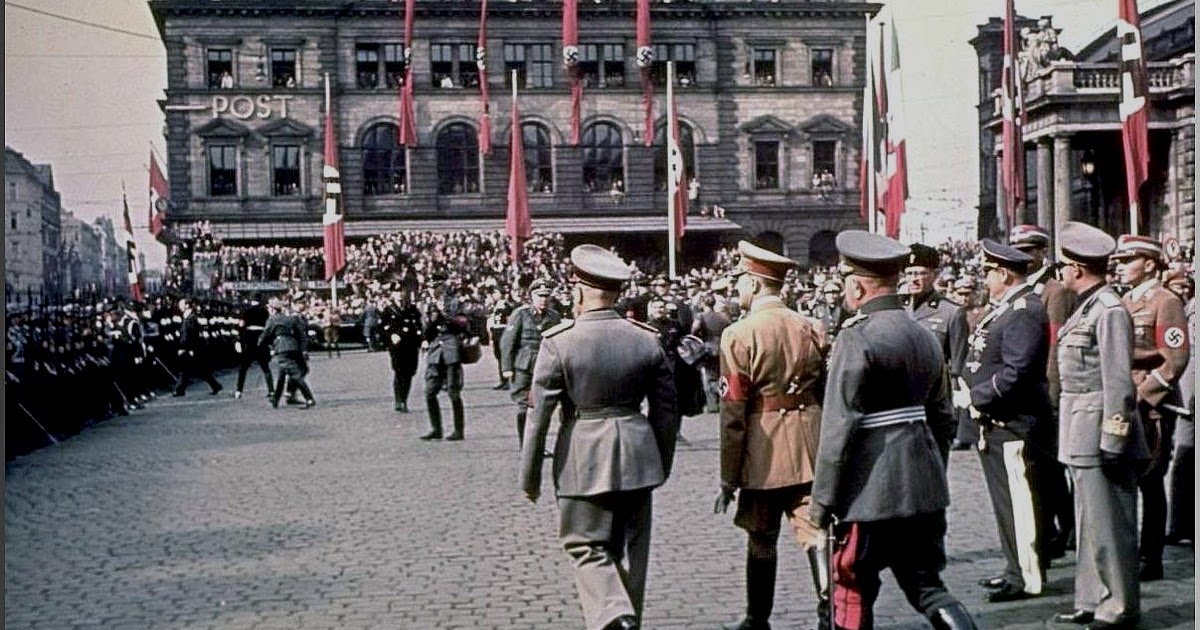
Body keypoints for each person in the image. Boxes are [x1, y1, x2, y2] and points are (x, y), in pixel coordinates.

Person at [810, 230, 976, 630]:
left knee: (851, 588)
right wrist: (931, 471)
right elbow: (942, 417)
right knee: (928, 587)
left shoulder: (857, 335)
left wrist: (822, 502)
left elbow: (839, 427)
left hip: (871, 491)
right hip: (923, 486)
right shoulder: (925, 332)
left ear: (857, 285)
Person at [519, 244, 679, 630]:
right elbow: (667, 412)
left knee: (585, 544)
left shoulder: (560, 340)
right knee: (631, 553)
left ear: (577, 291)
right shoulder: (646, 339)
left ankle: (614, 616)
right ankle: (627, 620)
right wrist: (661, 461)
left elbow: (537, 416)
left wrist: (530, 476)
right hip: (639, 456)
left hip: (583, 455)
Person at [714, 241, 827, 630]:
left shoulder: (738, 334)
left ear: (755, 283)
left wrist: (729, 476)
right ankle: (831, 614)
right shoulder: (812, 326)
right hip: (810, 444)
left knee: (761, 537)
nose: (737, 290)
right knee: (816, 533)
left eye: (740, 282)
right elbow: (824, 390)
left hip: (762, 452)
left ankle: (756, 620)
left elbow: (732, 413)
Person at [1052, 222, 1148, 629]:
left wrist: (1114, 435)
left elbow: (1118, 382)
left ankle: (1120, 605)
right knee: (1089, 522)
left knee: (1110, 525)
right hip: (1079, 430)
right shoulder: (1088, 307)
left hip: (1098, 431)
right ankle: (1092, 599)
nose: (1060, 274)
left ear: (1076, 268)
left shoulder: (1108, 310)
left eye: (1063, 266)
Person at [959, 239, 1051, 603]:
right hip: (998, 421)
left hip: (1015, 420)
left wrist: (976, 396)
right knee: (1006, 502)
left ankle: (1026, 576)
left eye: (988, 273)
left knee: (1020, 502)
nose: (985, 279)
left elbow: (1018, 370)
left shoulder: (1024, 310)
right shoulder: (1006, 308)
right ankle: (1015, 567)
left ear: (1003, 274)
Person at [1110, 235, 1191, 581]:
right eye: (1120, 261)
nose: (1121, 267)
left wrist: (1142, 395)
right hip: (1122, 401)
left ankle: (1150, 556)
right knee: (1123, 476)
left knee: (1150, 480)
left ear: (1150, 264)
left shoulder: (1165, 301)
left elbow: (1175, 359)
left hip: (1149, 407)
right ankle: (1129, 550)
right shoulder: (1123, 301)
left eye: (1129, 261)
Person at [1010, 224, 1078, 559]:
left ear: (1041, 254)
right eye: (1018, 251)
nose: (1023, 257)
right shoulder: (1020, 290)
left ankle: (1064, 529)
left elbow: (1055, 345)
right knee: (1039, 467)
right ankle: (1057, 528)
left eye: (1028, 251)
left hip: (1043, 391)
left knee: (1048, 467)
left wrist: (1050, 394)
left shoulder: (1053, 291)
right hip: (1024, 391)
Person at [906, 243, 969, 459]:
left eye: (921, 273)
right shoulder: (898, 309)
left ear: (935, 275)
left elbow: (958, 368)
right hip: (901, 407)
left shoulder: (951, 313)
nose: (914, 279)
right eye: (909, 273)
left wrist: (956, 418)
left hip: (934, 407)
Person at [500, 282, 563, 447]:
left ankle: (537, 446)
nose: (543, 300)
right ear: (531, 297)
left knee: (541, 410)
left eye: (546, 296)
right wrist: (507, 368)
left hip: (546, 367)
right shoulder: (520, 314)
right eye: (539, 296)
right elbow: (507, 342)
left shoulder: (554, 316)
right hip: (524, 368)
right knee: (524, 407)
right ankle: (525, 446)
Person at [420, 294, 468, 441]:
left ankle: (458, 430)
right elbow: (425, 330)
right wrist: (431, 321)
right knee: (429, 391)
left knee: (454, 393)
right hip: (435, 352)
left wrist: (445, 315)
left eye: (437, 286)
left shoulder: (454, 303)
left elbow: (462, 324)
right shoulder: (427, 304)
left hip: (451, 351)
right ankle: (436, 428)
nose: (434, 289)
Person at [260, 298, 315, 409]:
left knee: (295, 375)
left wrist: (261, 343)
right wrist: (303, 349)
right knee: (282, 374)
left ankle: (309, 398)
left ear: (273, 309)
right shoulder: (291, 319)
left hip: (282, 348)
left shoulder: (272, 319)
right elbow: (301, 335)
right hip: (294, 347)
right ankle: (277, 398)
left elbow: (266, 335)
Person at [380, 291, 423, 413]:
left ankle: (404, 398)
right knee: (399, 372)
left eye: (401, 292)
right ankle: (399, 400)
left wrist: (422, 340)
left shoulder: (412, 309)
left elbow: (419, 326)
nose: (400, 295)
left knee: (410, 373)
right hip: (397, 347)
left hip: (411, 345)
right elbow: (382, 328)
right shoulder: (388, 311)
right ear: (393, 295)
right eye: (396, 292)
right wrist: (391, 336)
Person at [172, 298, 223, 397]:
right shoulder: (187, 317)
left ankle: (179, 389)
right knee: (194, 370)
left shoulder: (191, 318)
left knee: (188, 370)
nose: (179, 306)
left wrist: (185, 348)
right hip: (190, 348)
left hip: (191, 348)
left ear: (187, 305)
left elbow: (190, 335)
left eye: (181, 304)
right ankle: (215, 385)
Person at [234, 296, 274, 401]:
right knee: (265, 367)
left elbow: (241, 325)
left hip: (249, 340)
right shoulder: (264, 311)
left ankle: (239, 390)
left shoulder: (246, 310)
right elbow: (268, 326)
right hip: (261, 339)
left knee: (243, 368)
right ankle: (271, 390)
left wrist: (239, 338)